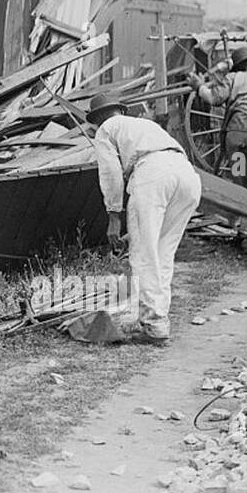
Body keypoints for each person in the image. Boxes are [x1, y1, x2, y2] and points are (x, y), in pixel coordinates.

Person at [88, 90, 202, 346]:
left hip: (152, 175)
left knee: (144, 254)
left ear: (96, 118)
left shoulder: (105, 130)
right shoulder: (144, 124)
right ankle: (158, 320)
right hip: (186, 175)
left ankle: (154, 326)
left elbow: (111, 174)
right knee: (163, 253)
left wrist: (114, 217)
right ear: (121, 109)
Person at [189, 47, 247, 198]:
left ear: (238, 66)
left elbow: (214, 99)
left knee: (241, 185)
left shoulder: (233, 78)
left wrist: (200, 86)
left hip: (237, 140)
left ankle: (243, 218)